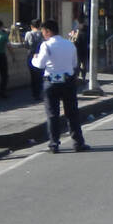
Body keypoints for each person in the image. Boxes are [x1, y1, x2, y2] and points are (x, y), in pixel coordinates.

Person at [30, 20, 88, 153]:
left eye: (43, 32)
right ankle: (78, 142)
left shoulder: (46, 45)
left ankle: (54, 143)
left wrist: (34, 58)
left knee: (52, 114)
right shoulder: (70, 44)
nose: (43, 35)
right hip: (68, 81)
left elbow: (39, 64)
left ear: (48, 31)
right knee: (72, 113)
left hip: (51, 82)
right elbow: (74, 63)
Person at [22, 20, 45, 100]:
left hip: (31, 55)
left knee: (33, 76)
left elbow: (26, 45)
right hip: (40, 55)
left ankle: (34, 93)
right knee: (40, 75)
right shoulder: (43, 33)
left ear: (31, 26)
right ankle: (39, 92)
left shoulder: (29, 33)